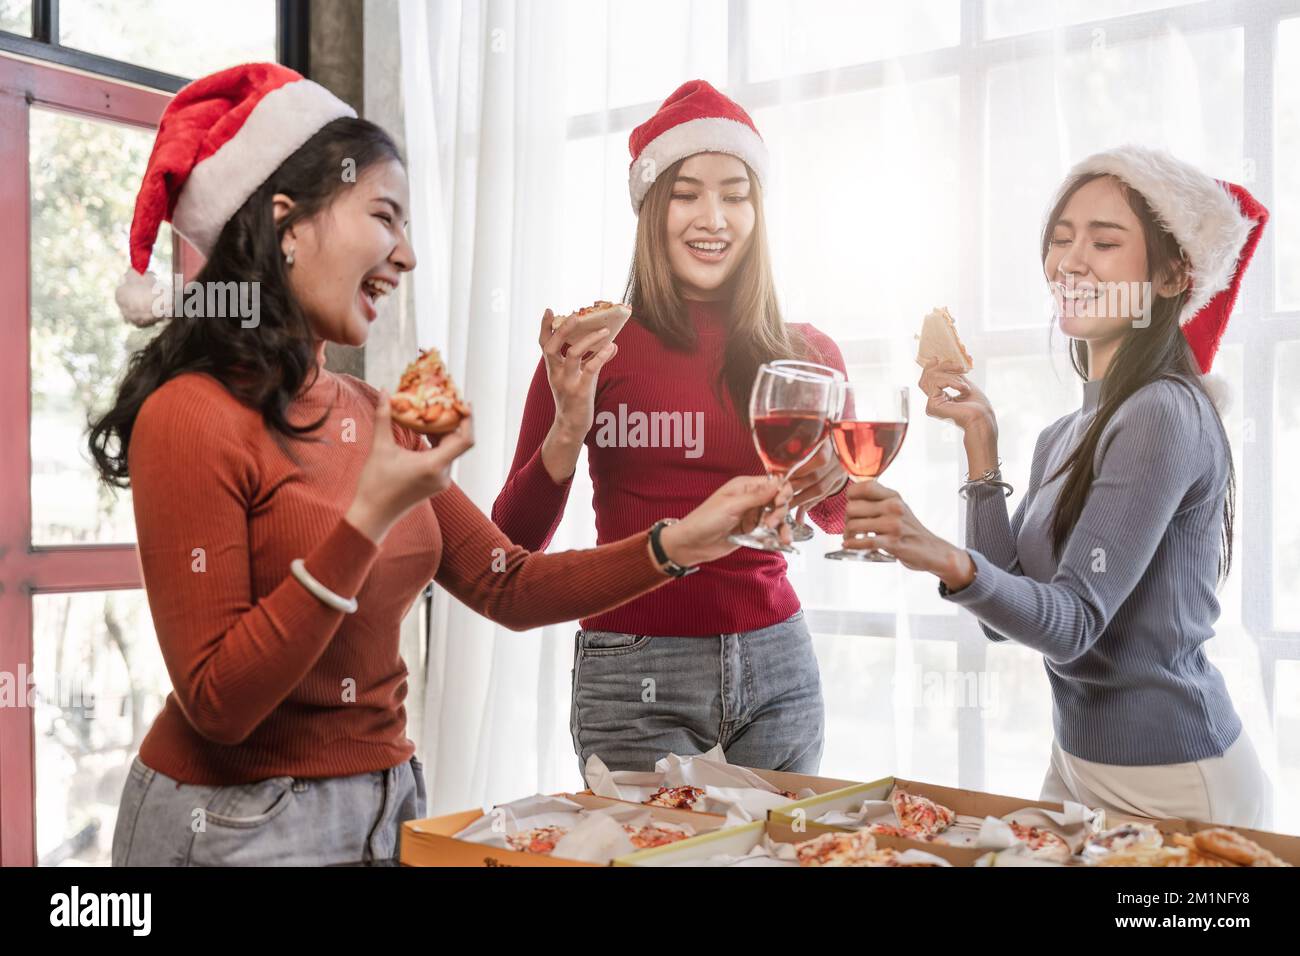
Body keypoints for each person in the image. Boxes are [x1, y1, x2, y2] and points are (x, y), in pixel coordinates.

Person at [89, 63, 793, 866]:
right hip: (236, 823)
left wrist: (675, 545)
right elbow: (219, 706)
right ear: (287, 224)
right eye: (385, 217)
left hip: (391, 806)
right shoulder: (189, 413)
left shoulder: (365, 410)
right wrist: (367, 519)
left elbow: (508, 583)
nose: (409, 255)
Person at [839, 145, 1271, 827]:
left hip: (1173, 784)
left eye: (1104, 241)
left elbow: (1072, 624)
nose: (1070, 260)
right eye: (1061, 238)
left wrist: (939, 554)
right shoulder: (1066, 432)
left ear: (1169, 277)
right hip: (1075, 763)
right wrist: (982, 448)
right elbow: (1003, 624)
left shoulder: (1163, 410)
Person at [492, 80, 850, 777]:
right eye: (686, 193)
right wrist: (568, 426)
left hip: (777, 664)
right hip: (634, 669)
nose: (712, 217)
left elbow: (835, 518)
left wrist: (833, 479)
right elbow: (510, 548)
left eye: (735, 193)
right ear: (652, 210)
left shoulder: (808, 357)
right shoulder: (591, 350)